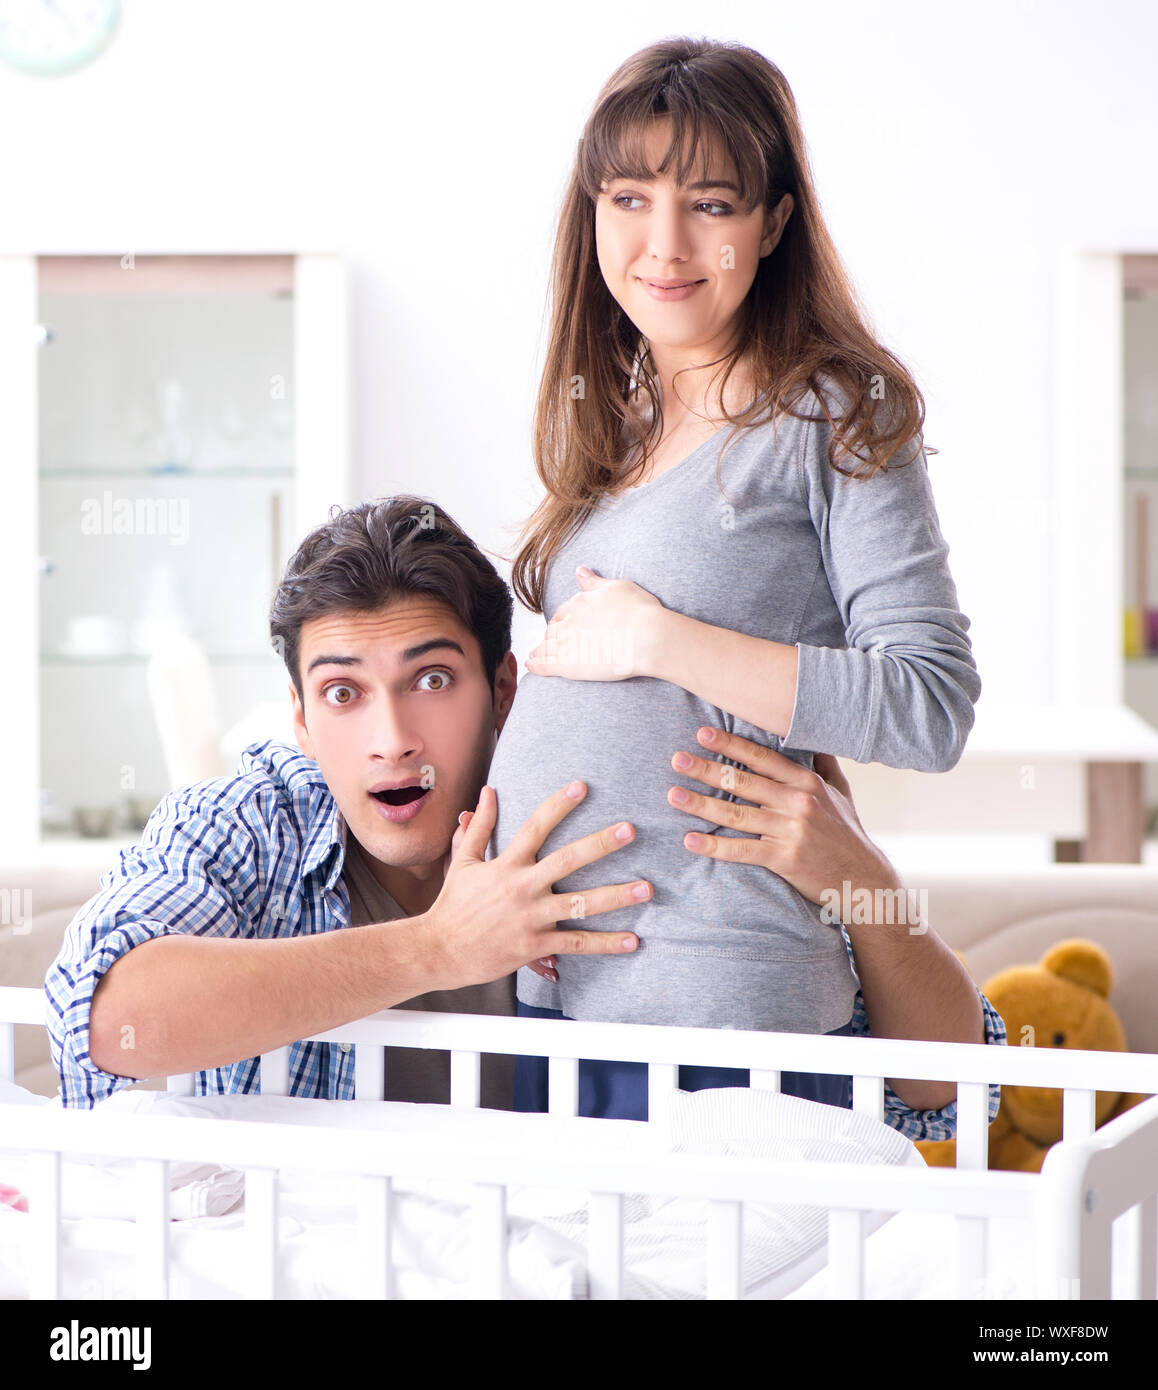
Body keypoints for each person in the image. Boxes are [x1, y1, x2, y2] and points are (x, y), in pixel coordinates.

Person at [46, 496, 1002, 1133]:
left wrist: (865, 885)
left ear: (504, 689)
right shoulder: (257, 820)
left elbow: (946, 1098)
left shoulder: (606, 816)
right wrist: (442, 947)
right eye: (343, 694)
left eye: (430, 680)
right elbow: (103, 1018)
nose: (391, 739)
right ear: (300, 715)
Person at [487, 37, 990, 1119]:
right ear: (592, 214)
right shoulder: (618, 427)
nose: (664, 243)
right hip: (561, 995)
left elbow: (931, 703)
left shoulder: (832, 416)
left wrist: (660, 640)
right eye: (629, 197)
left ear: (772, 223)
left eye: (710, 203)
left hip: (717, 1003)